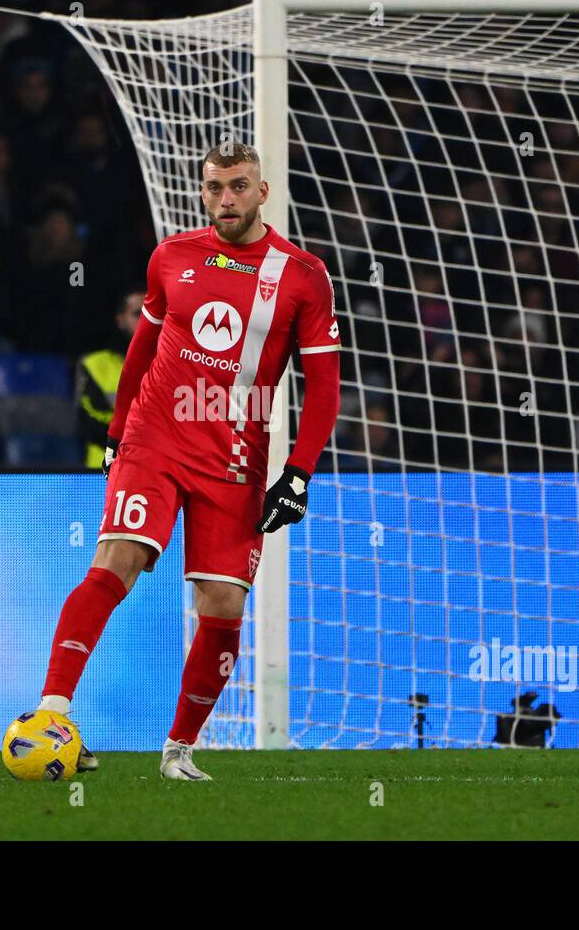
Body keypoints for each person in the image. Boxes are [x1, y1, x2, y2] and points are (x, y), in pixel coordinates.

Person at [20, 142, 341, 780]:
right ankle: (50, 713)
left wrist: (298, 473)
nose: (227, 198)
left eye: (239, 186)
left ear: (262, 192)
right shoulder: (173, 257)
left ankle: (178, 753)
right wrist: (116, 432)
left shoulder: (303, 275)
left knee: (222, 603)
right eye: (216, 187)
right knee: (119, 558)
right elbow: (143, 345)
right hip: (157, 439)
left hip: (236, 460)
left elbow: (325, 384)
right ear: (204, 192)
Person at [75, 290, 142, 468]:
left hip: (151, 471)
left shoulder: (171, 363)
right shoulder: (95, 364)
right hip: (102, 473)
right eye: (138, 313)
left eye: (153, 312)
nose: (147, 319)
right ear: (121, 320)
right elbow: (90, 425)